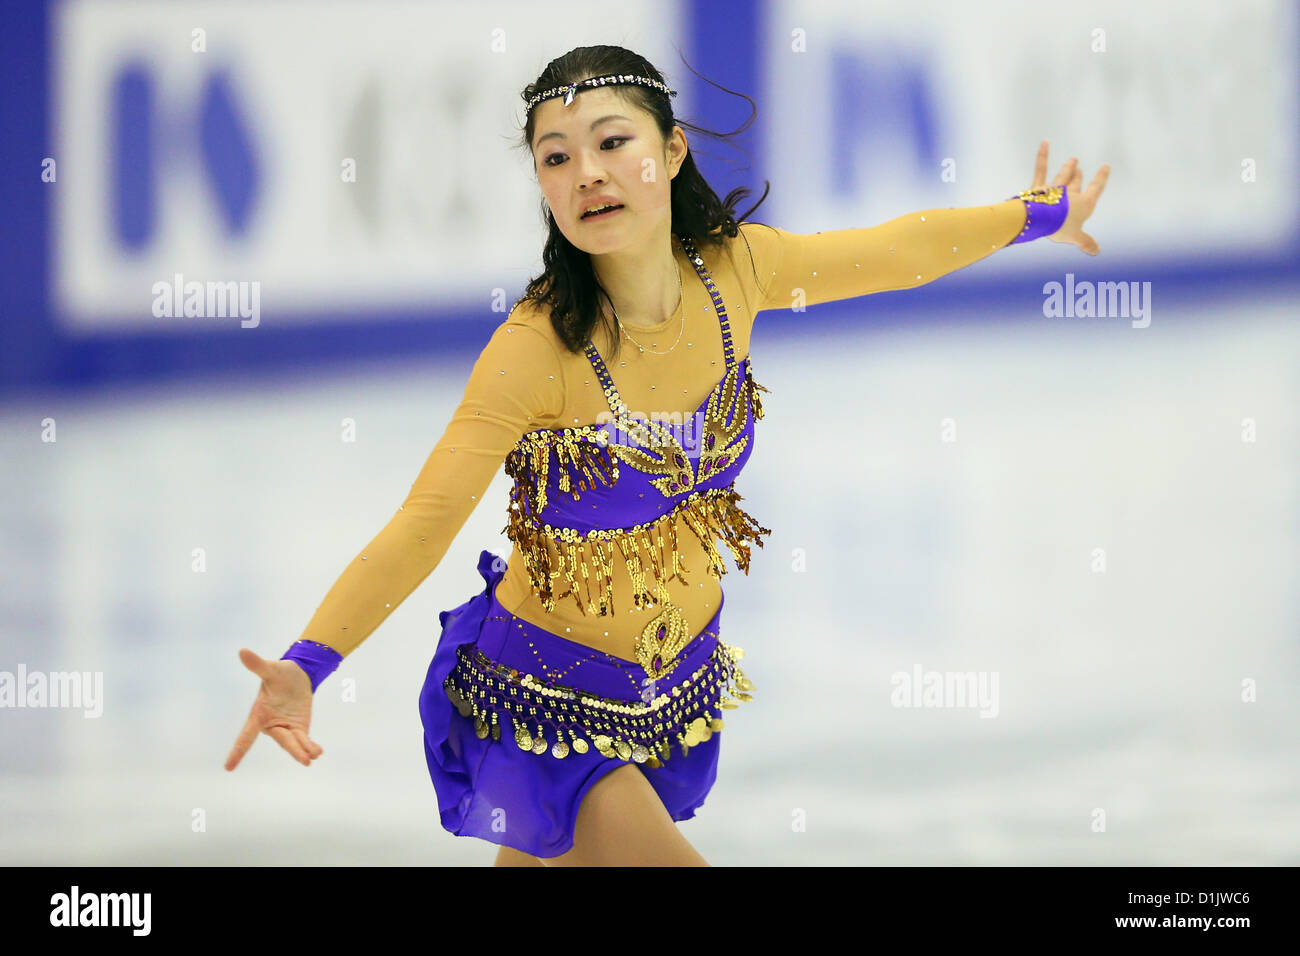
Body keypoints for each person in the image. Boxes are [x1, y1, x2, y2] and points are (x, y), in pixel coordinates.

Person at [224, 45, 1109, 867]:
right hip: (547, 706)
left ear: (673, 152)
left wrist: (1035, 218)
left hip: (672, 683)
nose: (588, 173)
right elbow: (423, 526)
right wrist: (308, 663)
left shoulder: (736, 272)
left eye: (612, 142)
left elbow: (893, 252)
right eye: (556, 157)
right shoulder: (536, 350)